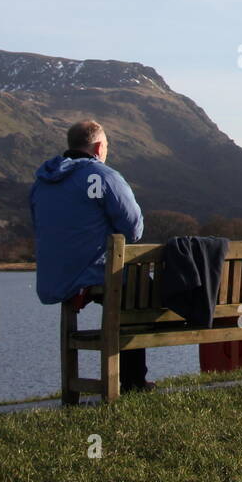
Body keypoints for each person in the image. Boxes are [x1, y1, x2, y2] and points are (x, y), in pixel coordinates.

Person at [30, 119, 151, 390]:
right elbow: (134, 230)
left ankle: (122, 380)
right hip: (96, 274)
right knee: (141, 291)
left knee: (129, 294)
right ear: (98, 147)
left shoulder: (41, 182)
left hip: (58, 278)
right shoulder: (104, 175)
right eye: (107, 146)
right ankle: (133, 380)